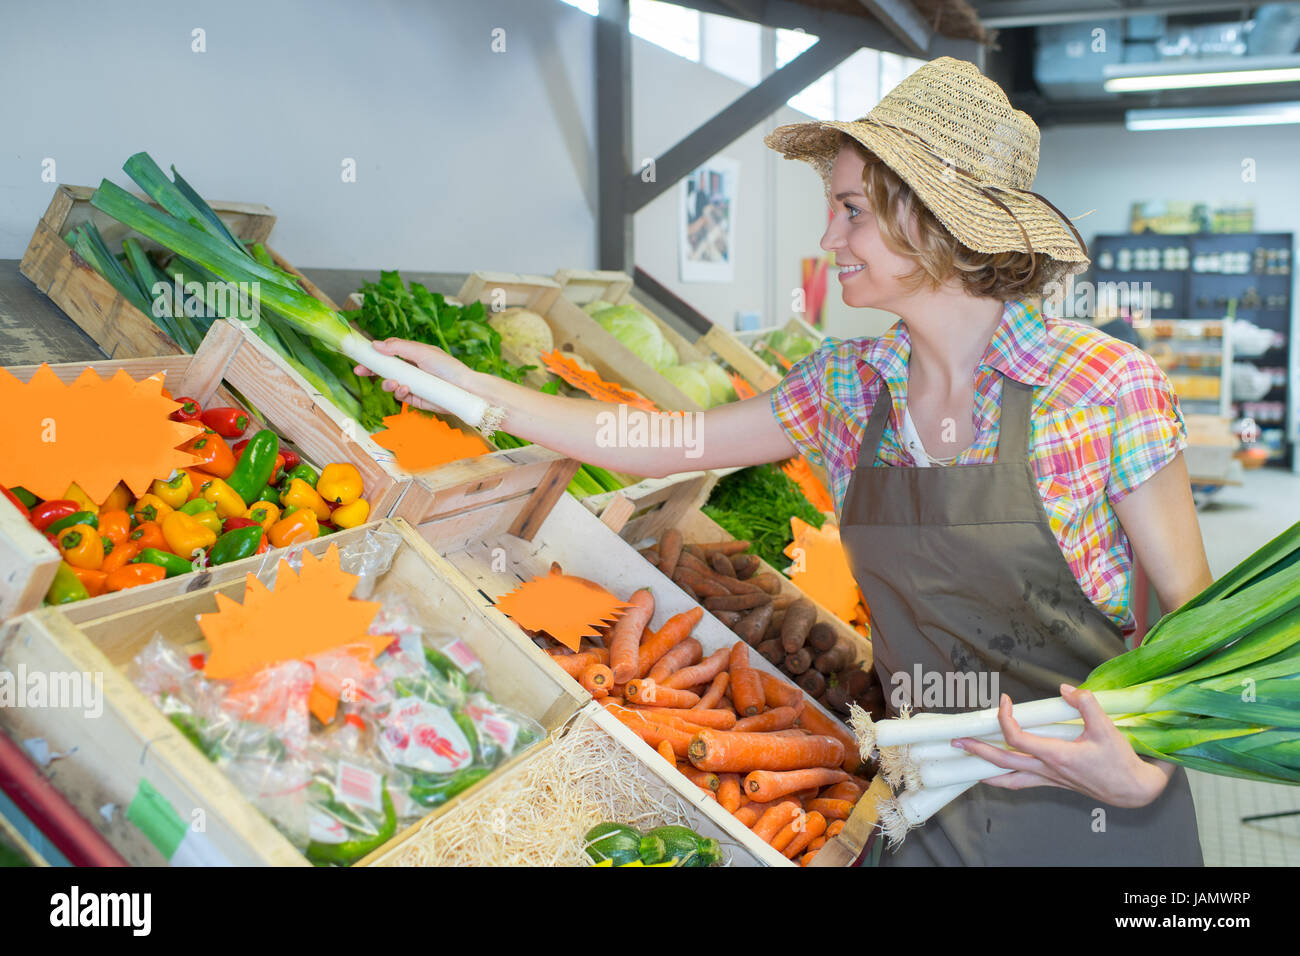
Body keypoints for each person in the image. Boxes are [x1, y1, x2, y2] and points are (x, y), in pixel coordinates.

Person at [356, 57, 1209, 866]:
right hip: (927, 816)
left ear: (930, 216)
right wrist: (473, 392)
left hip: (1097, 818)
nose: (828, 236)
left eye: (852, 212)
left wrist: (1146, 772)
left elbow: (1197, 623)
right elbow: (662, 440)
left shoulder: (1102, 386)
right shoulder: (848, 388)